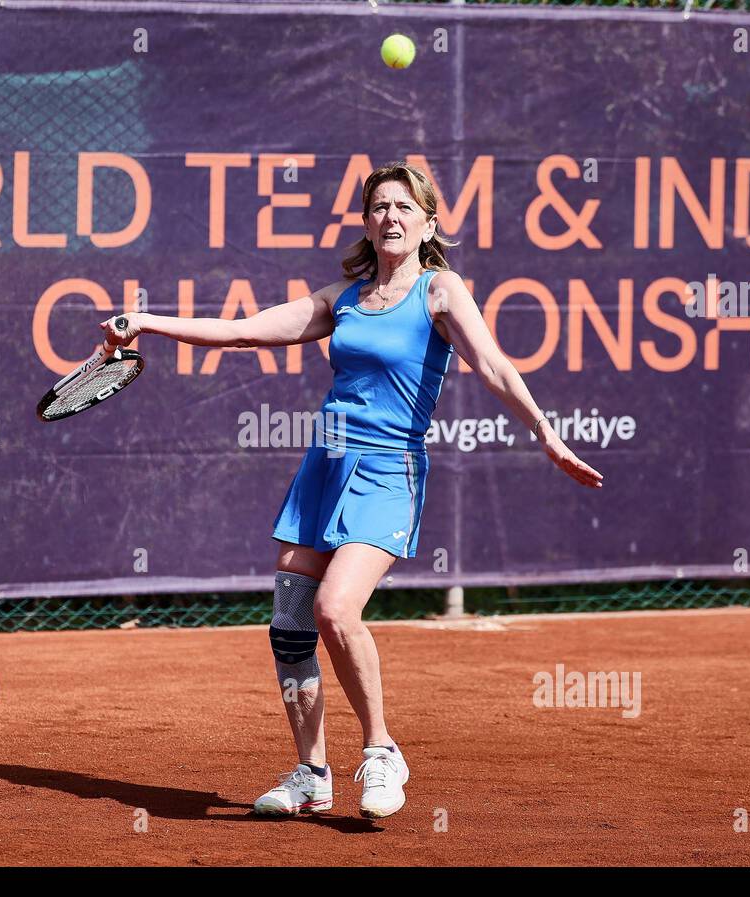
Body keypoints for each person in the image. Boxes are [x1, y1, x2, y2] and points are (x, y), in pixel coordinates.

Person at [101, 161, 602, 820]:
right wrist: (148, 322)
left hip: (387, 471)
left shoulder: (440, 290)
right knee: (289, 624)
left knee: (337, 610)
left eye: (402, 206)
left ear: (427, 221)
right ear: (367, 223)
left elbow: (495, 365)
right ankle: (312, 773)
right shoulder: (343, 299)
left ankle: (383, 751)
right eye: (378, 208)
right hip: (324, 470)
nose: (389, 217)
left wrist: (545, 430)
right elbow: (248, 330)